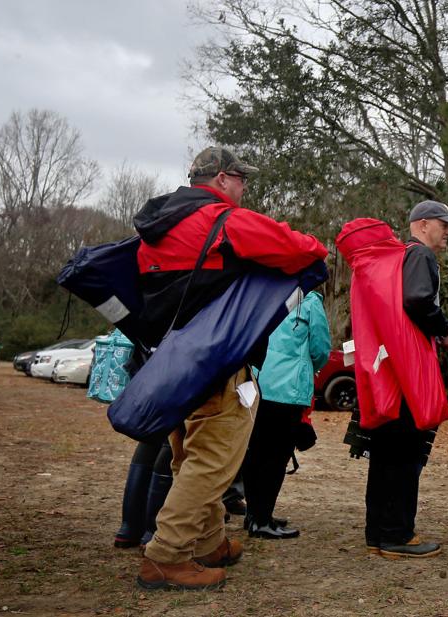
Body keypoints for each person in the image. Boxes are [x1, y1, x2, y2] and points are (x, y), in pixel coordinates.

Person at [133, 147, 327, 591]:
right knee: (215, 460)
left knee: (189, 453)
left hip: (167, 361)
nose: (244, 188)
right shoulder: (223, 220)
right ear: (221, 179)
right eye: (241, 179)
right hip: (216, 361)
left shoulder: (155, 230)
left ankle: (209, 541)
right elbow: (304, 248)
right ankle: (166, 555)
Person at [363, 199, 448, 559]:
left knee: (386, 451)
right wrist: (446, 330)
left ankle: (378, 533)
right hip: (409, 369)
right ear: (422, 225)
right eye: (443, 224)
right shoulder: (421, 256)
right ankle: (398, 536)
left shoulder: (397, 256)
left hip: (390, 368)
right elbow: (418, 299)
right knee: (405, 452)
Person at [241, 289, 331, 538]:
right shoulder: (310, 301)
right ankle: (262, 520)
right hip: (288, 388)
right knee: (276, 456)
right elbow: (321, 348)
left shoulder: (263, 293)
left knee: (256, 451)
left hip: (256, 384)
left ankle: (254, 514)